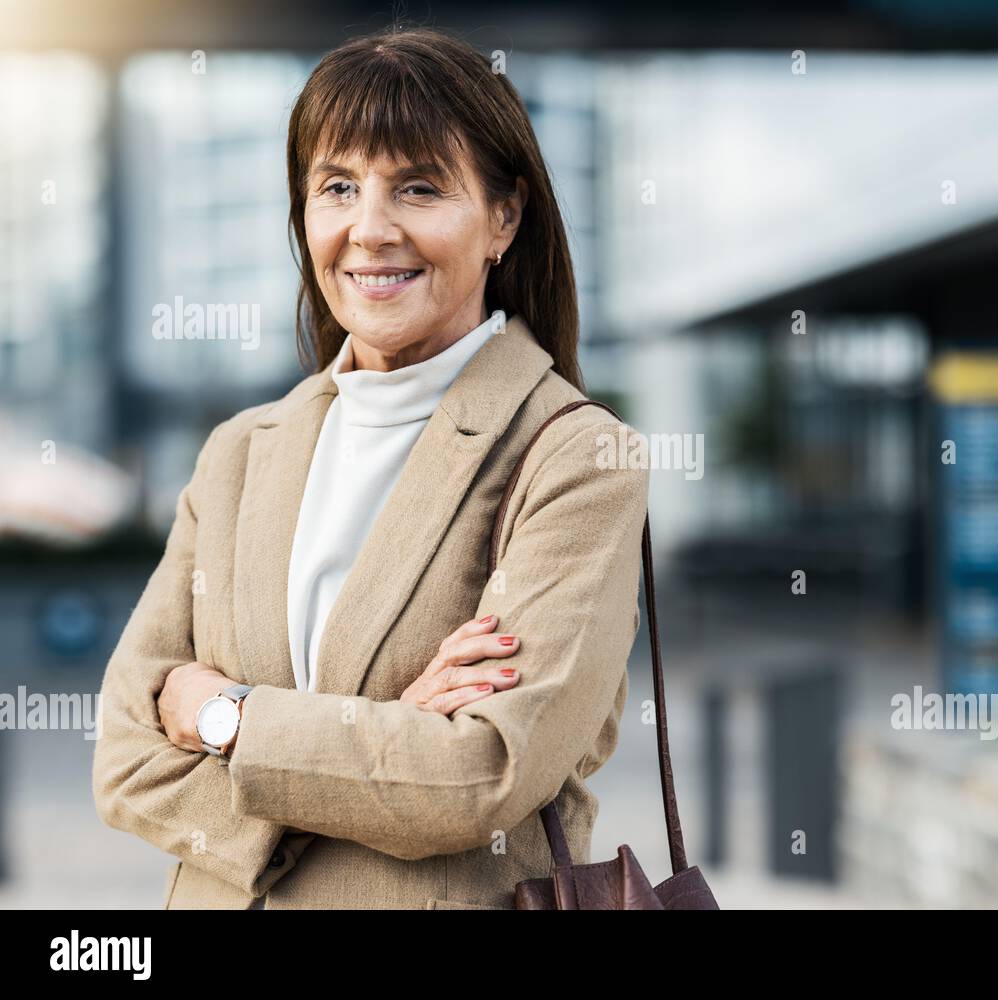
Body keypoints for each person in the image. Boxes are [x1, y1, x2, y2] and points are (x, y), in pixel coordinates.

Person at [91, 26, 649, 910]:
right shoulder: (240, 450)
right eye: (338, 187)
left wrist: (223, 715)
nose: (370, 229)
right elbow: (123, 759)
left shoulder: (577, 458)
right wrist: (389, 738)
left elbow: (482, 775)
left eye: (420, 187)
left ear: (505, 217)